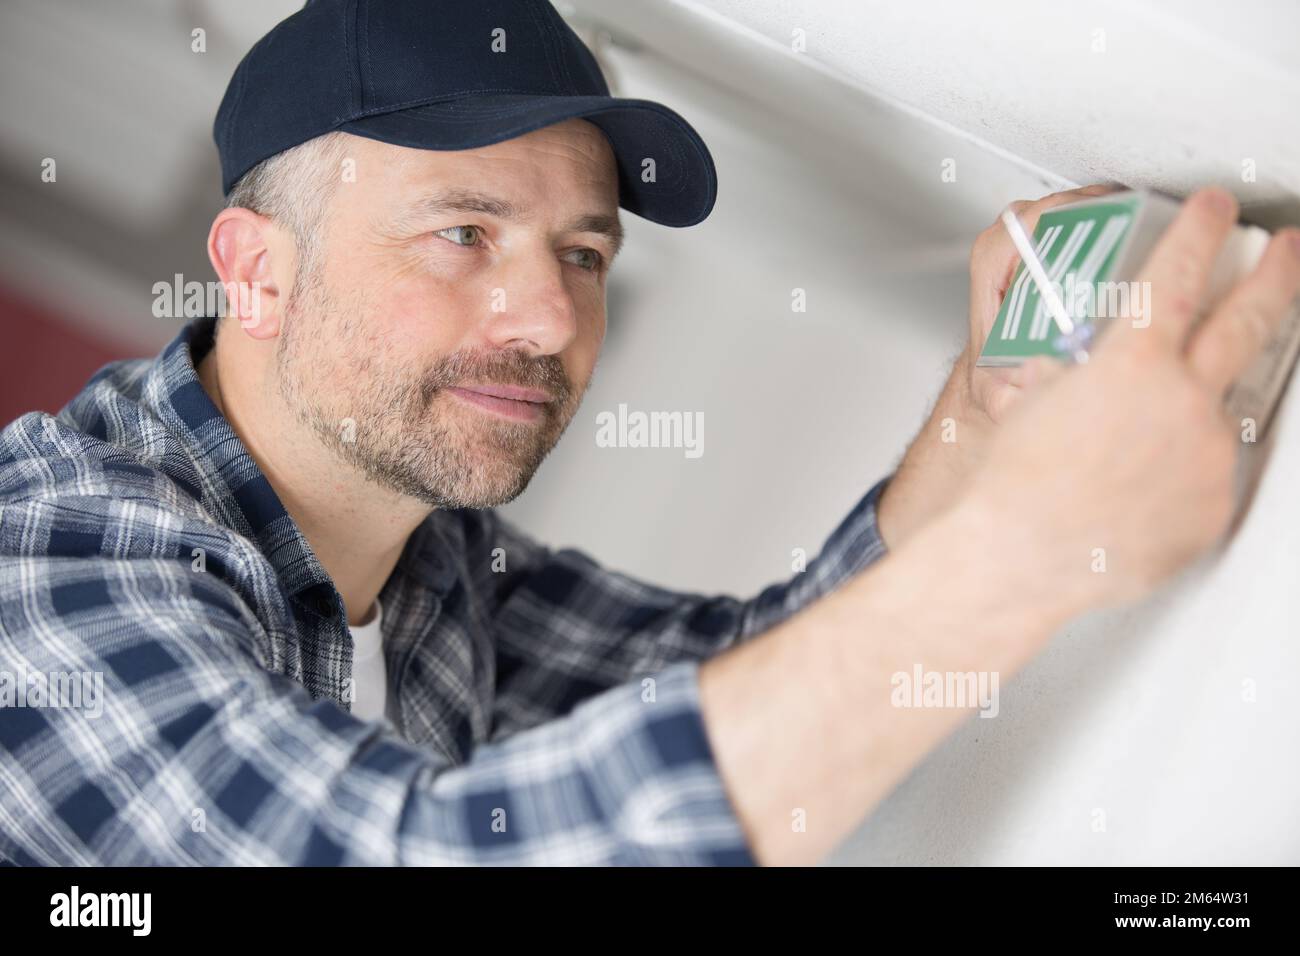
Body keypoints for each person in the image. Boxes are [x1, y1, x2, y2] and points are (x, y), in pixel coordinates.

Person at [1, 0, 1297, 866]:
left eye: (583, 252)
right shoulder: (49, 563)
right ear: (258, 272)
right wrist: (1031, 546)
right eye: (464, 233)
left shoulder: (435, 563)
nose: (551, 318)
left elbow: (753, 676)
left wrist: (979, 412)